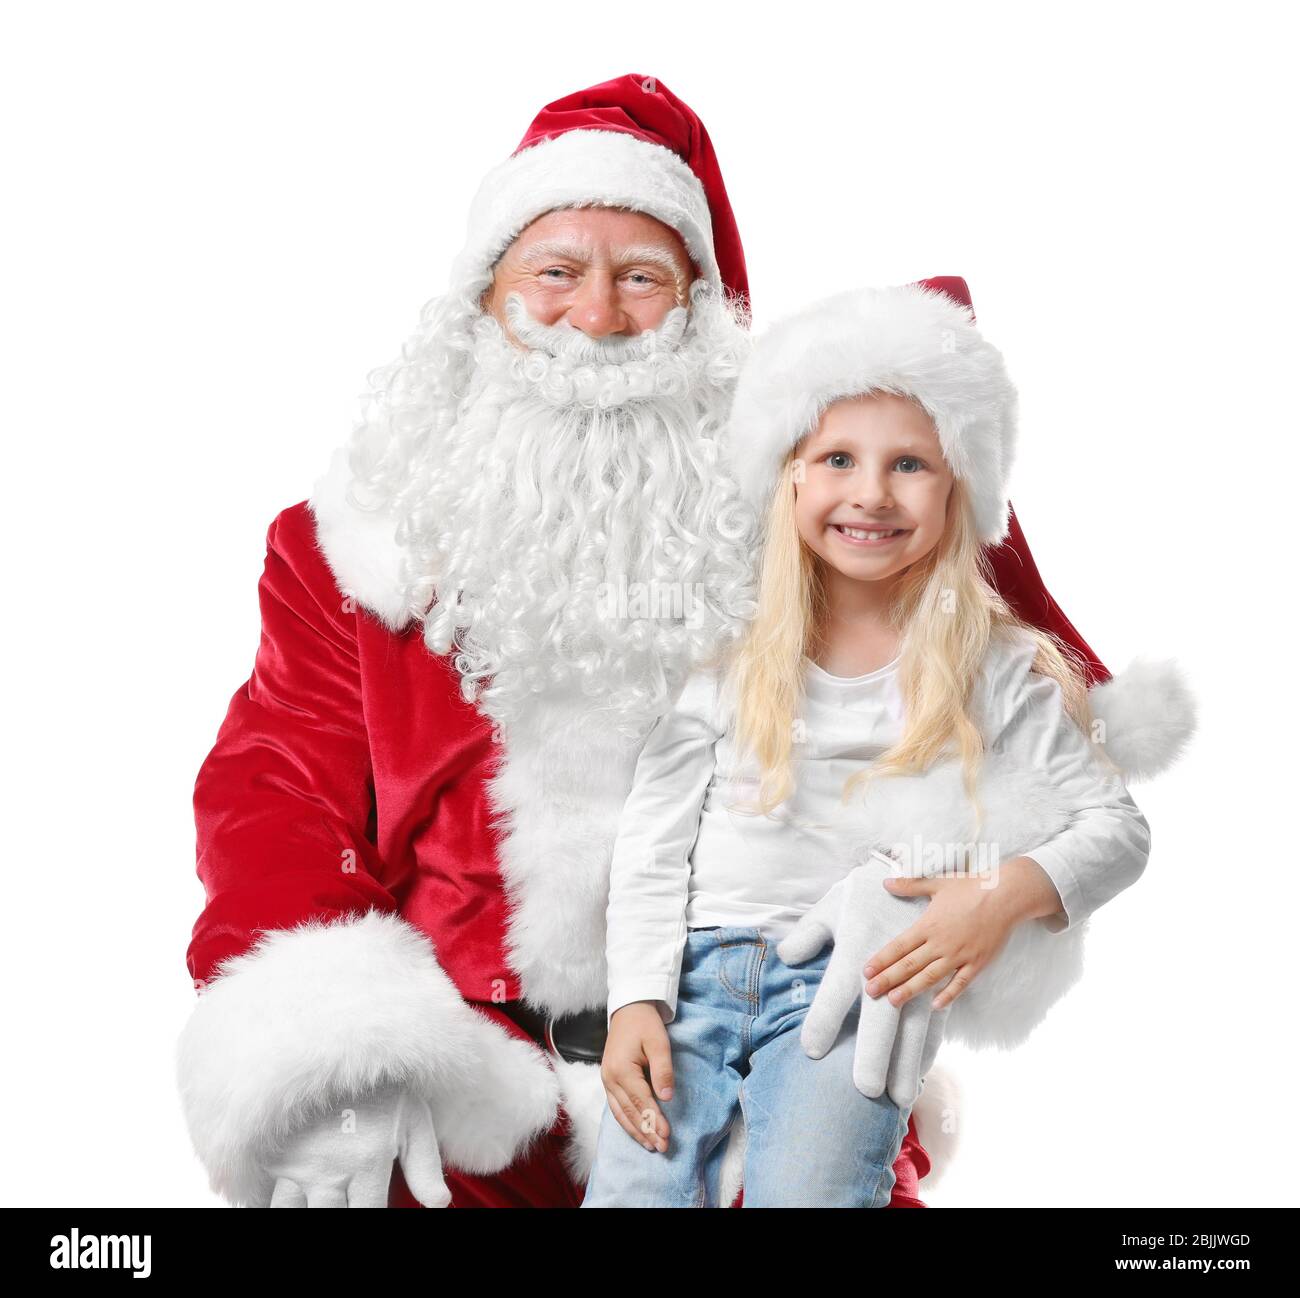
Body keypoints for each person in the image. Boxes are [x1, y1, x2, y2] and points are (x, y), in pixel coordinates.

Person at [174, 74, 1179, 1211]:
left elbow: (987, 736)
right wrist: (328, 1057)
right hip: (458, 1103)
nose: (596, 317)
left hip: (769, 1058)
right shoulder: (347, 547)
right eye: (554, 271)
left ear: (702, 312)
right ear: (483, 301)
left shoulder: (808, 528)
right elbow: (279, 793)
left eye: (641, 279)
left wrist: (903, 919)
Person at [583, 282, 1196, 1207]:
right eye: (837, 457)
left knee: (816, 1190)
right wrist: (635, 998)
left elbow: (1116, 830)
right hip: (693, 982)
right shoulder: (722, 653)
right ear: (788, 475)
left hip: (854, 979)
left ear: (960, 488)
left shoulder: (991, 669)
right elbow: (653, 841)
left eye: (910, 463)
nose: (870, 493)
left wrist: (991, 901)